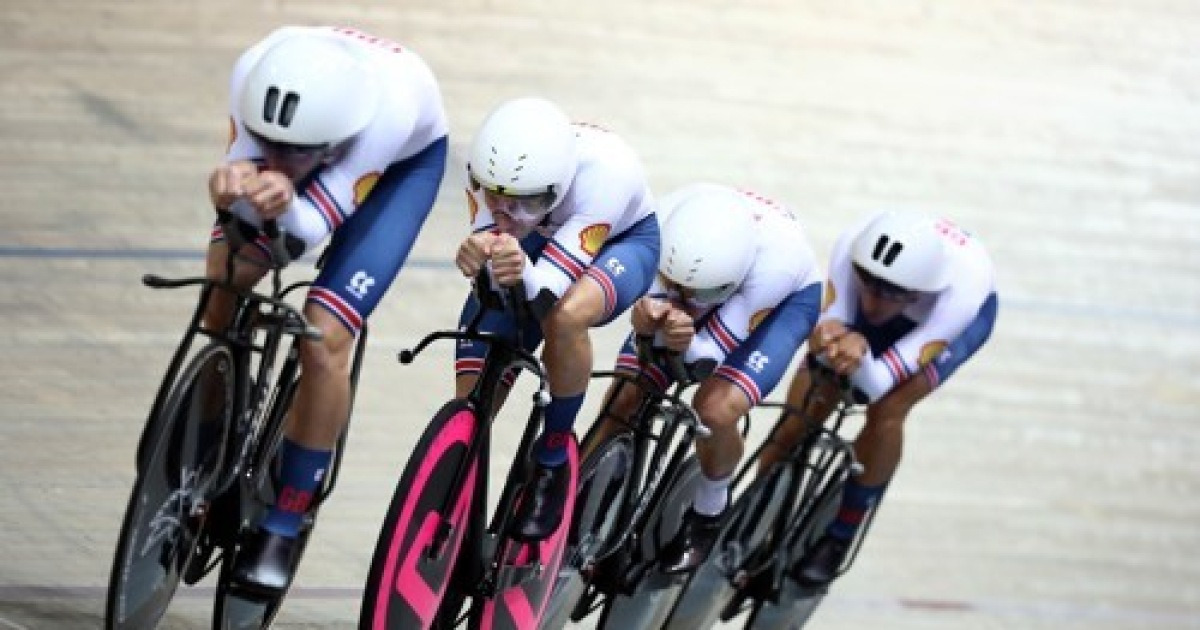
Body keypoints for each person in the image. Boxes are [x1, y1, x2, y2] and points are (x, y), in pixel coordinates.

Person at [204, 25, 449, 592]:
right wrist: (235, 182)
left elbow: (310, 230)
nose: (279, 160)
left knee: (323, 335)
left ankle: (285, 518)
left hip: (397, 173)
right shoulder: (254, 72)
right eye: (270, 146)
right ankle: (206, 434)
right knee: (225, 275)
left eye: (296, 153)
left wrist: (280, 194)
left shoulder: (385, 113)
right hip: (310, 140)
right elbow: (242, 179)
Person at [584, 183, 824, 573]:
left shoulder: (776, 267)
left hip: (778, 307)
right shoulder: (662, 226)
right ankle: (592, 488)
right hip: (691, 269)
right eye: (678, 289)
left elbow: (704, 361)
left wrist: (671, 332)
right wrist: (646, 319)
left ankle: (710, 508)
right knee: (626, 395)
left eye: (700, 294)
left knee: (714, 410)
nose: (687, 298)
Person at [453, 97, 660, 542]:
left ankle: (553, 458)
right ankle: (455, 476)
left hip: (616, 245)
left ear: (556, 190)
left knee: (565, 318)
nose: (506, 212)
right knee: (471, 404)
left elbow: (546, 291)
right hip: (541, 239)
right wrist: (479, 256)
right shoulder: (489, 168)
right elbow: (497, 249)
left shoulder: (604, 178)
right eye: (496, 199)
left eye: (525, 203)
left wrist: (514, 264)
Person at [760, 210, 998, 586]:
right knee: (799, 414)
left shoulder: (960, 294)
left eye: (890, 294)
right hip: (877, 308)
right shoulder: (851, 247)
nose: (873, 302)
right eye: (868, 284)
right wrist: (826, 340)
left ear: (919, 292)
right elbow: (828, 330)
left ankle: (841, 534)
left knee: (888, 410)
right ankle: (755, 507)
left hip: (940, 328)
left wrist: (863, 353)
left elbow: (874, 386)